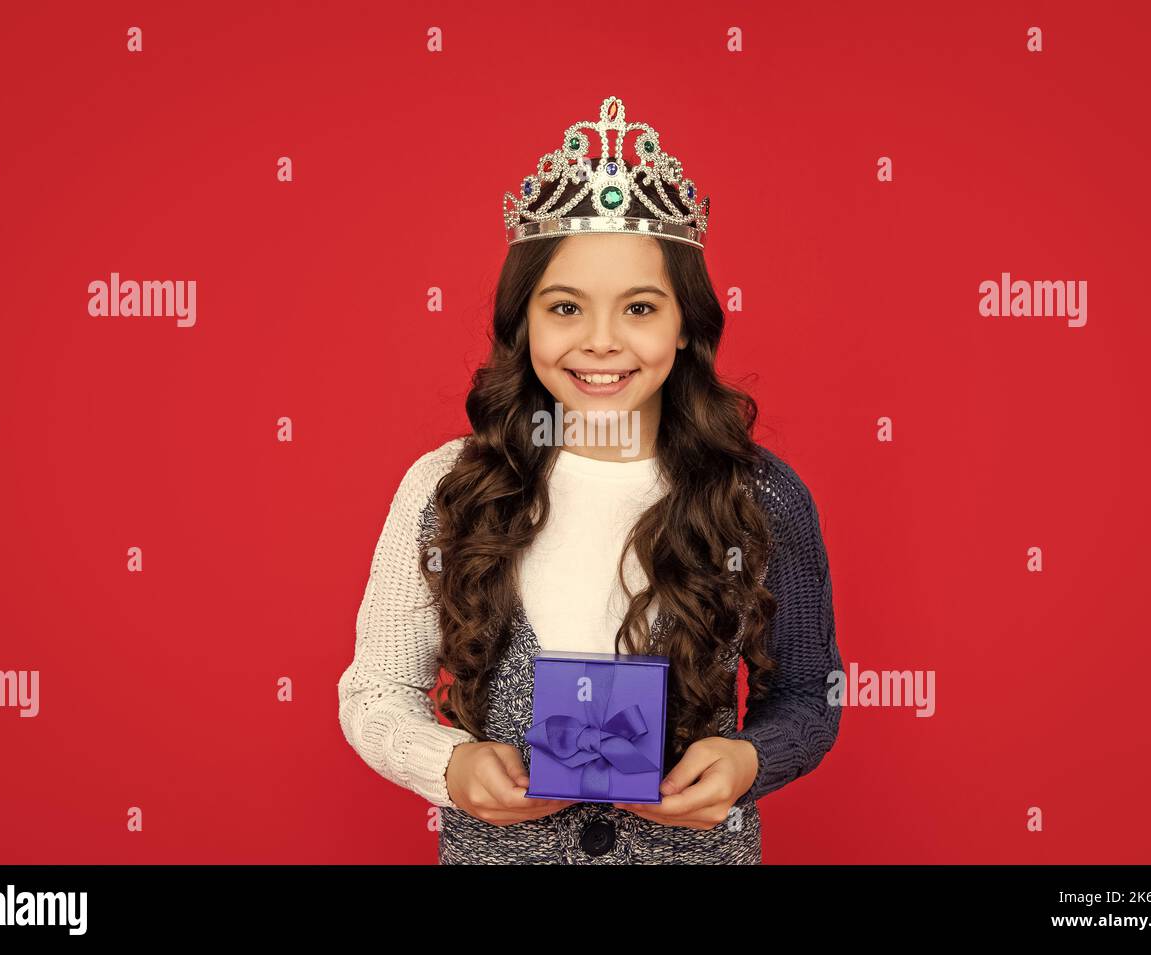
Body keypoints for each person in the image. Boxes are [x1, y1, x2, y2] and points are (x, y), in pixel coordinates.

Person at [336, 96, 842, 864]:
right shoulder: (445, 486)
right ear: (523, 322)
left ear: (685, 325)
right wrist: (451, 765)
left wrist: (748, 760)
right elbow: (374, 693)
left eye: (639, 307)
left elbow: (809, 698)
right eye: (565, 307)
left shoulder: (762, 496)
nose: (601, 342)